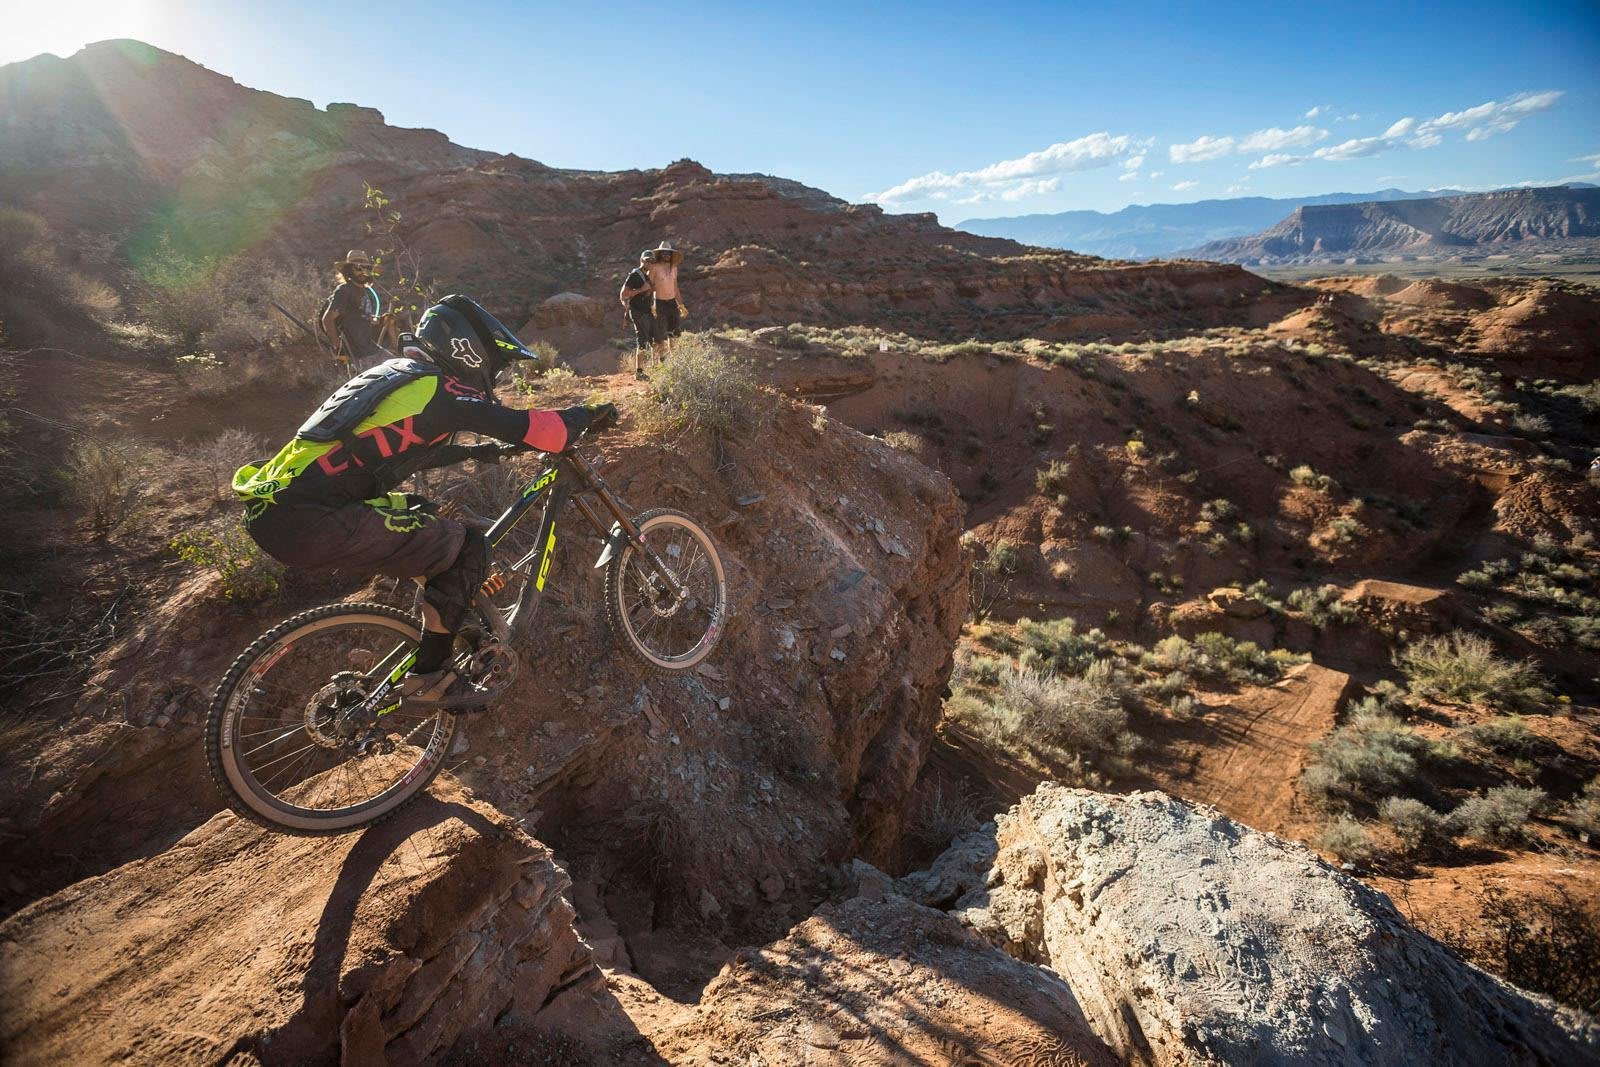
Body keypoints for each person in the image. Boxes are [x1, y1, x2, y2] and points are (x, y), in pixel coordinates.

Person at [235, 294, 616, 698]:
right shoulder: (442, 387)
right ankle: (431, 678)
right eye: (496, 367)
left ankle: (456, 623)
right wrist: (588, 414)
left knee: (424, 518)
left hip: (279, 509)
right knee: (468, 546)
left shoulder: (397, 375)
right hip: (316, 518)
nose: (496, 378)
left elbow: (397, 448)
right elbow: (546, 433)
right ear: (470, 352)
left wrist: (479, 451)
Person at [322, 250, 390, 368]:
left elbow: (362, 318)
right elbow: (327, 319)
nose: (362, 272)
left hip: (372, 349)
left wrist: (379, 321)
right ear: (349, 271)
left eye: (365, 268)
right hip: (358, 356)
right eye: (358, 268)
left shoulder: (367, 291)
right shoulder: (344, 290)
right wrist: (339, 350)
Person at [619, 251, 658, 379]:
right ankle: (639, 372)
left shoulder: (646, 276)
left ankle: (656, 368)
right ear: (642, 260)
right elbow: (623, 294)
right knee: (641, 341)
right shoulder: (635, 275)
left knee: (656, 339)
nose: (649, 263)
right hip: (638, 312)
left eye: (652, 261)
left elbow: (645, 293)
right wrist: (642, 290)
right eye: (647, 261)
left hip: (647, 311)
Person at [643, 241, 686, 354]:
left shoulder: (674, 268)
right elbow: (648, 287)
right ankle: (659, 360)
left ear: (671, 255)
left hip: (672, 303)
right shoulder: (654, 268)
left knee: (673, 333)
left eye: (668, 253)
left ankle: (673, 359)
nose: (666, 255)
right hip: (659, 303)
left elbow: (675, 287)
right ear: (660, 254)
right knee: (660, 334)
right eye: (664, 253)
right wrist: (651, 304)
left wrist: (681, 305)